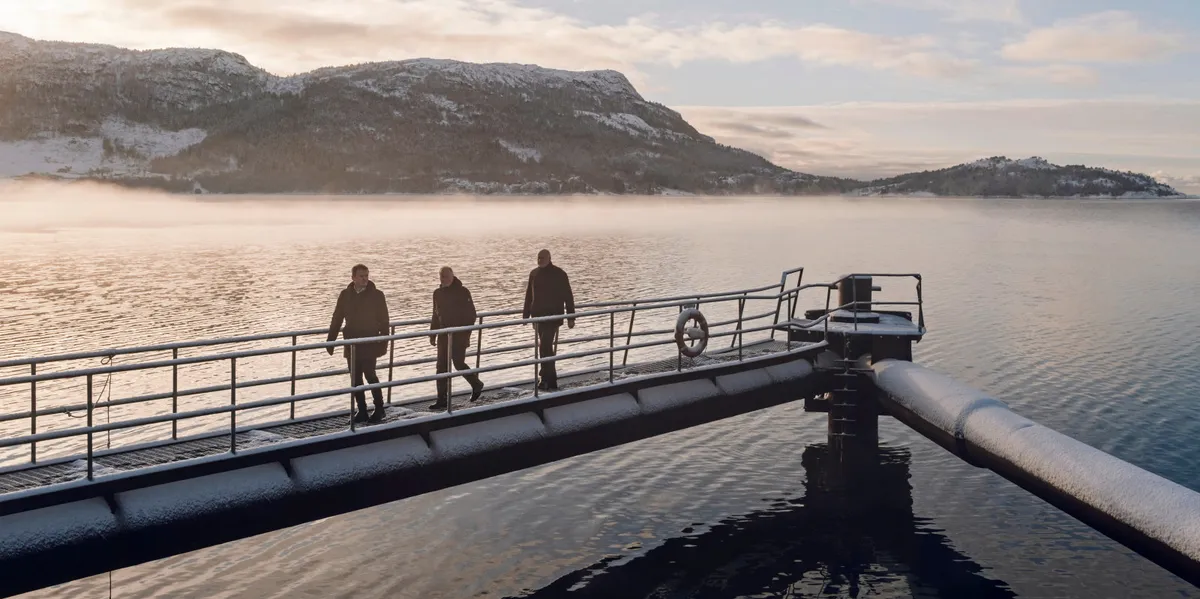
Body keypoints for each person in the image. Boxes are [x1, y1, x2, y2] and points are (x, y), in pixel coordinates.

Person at [326, 264, 389, 423]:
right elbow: (337, 317)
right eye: (361, 276)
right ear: (353, 277)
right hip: (351, 341)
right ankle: (361, 410)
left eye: (367, 275)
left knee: (370, 374)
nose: (365, 279)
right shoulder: (345, 295)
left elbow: (384, 320)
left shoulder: (377, 295)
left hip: (369, 341)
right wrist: (331, 340)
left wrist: (384, 342)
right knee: (355, 378)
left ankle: (379, 408)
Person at [429, 266, 484, 409]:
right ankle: (441, 399)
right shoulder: (437, 293)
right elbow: (435, 315)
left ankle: (476, 383)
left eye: (446, 276)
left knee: (458, 363)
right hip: (443, 335)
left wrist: (466, 333)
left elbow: (471, 314)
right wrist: (432, 333)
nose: (444, 279)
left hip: (459, 334)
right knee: (441, 367)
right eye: (442, 276)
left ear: (453, 276)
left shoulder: (462, 291)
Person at [522, 249, 575, 390]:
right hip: (538, 316)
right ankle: (550, 380)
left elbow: (568, 295)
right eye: (538, 258)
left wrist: (571, 316)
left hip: (553, 315)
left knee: (545, 345)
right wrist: (526, 315)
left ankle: (545, 377)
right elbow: (529, 295)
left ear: (549, 258)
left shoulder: (559, 274)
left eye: (543, 258)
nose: (540, 260)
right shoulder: (534, 274)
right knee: (544, 347)